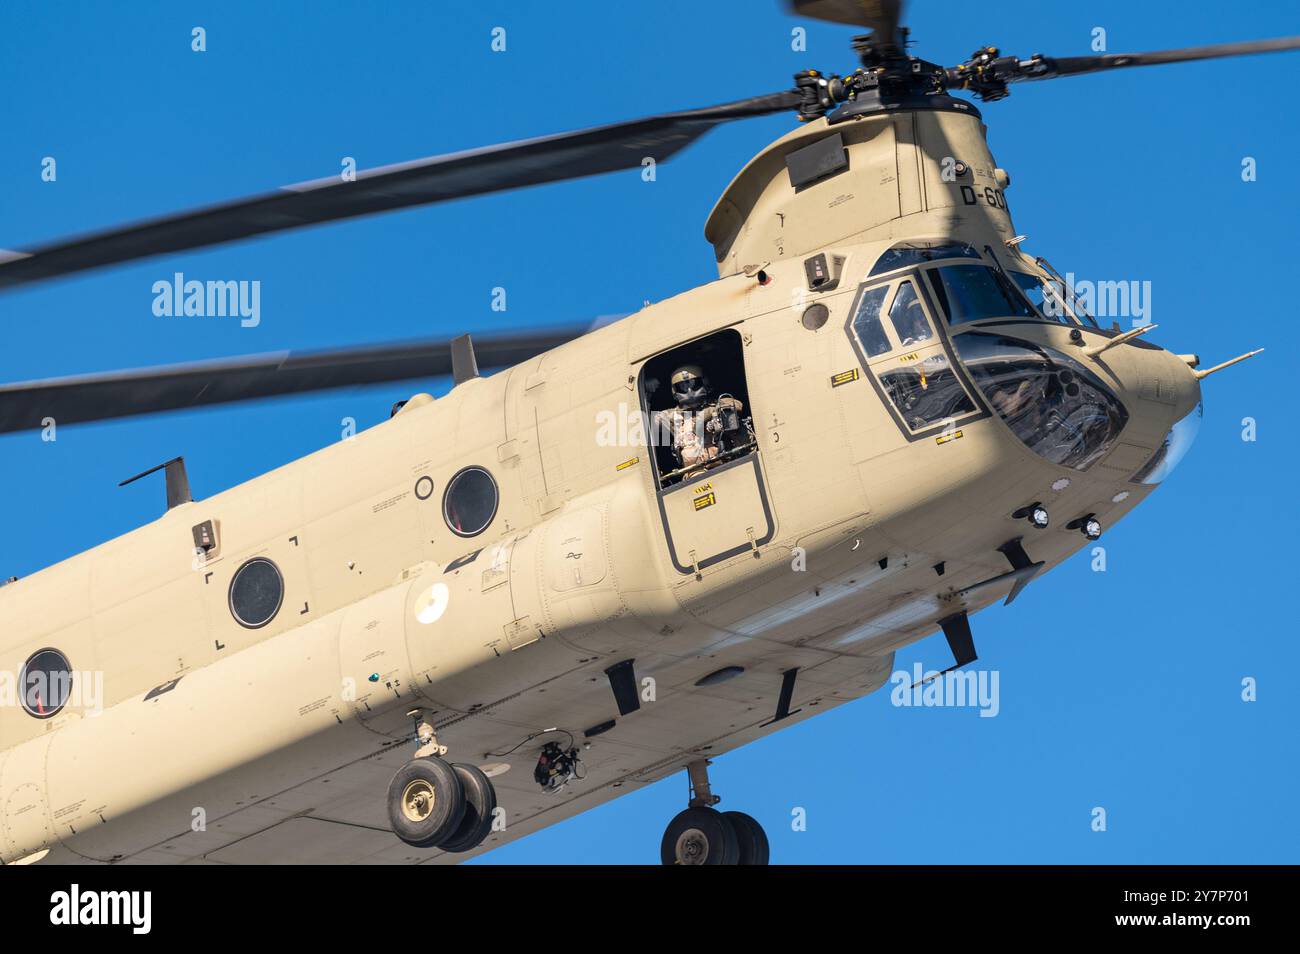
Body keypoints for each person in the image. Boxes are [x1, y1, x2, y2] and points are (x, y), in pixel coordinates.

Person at [654, 364, 744, 478]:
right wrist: (648, 392)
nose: (689, 390)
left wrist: (707, 414)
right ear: (675, 390)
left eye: (693, 383)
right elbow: (646, 422)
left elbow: (736, 404)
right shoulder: (672, 416)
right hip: (693, 475)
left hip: (724, 467)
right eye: (682, 386)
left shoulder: (716, 405)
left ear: (704, 383)